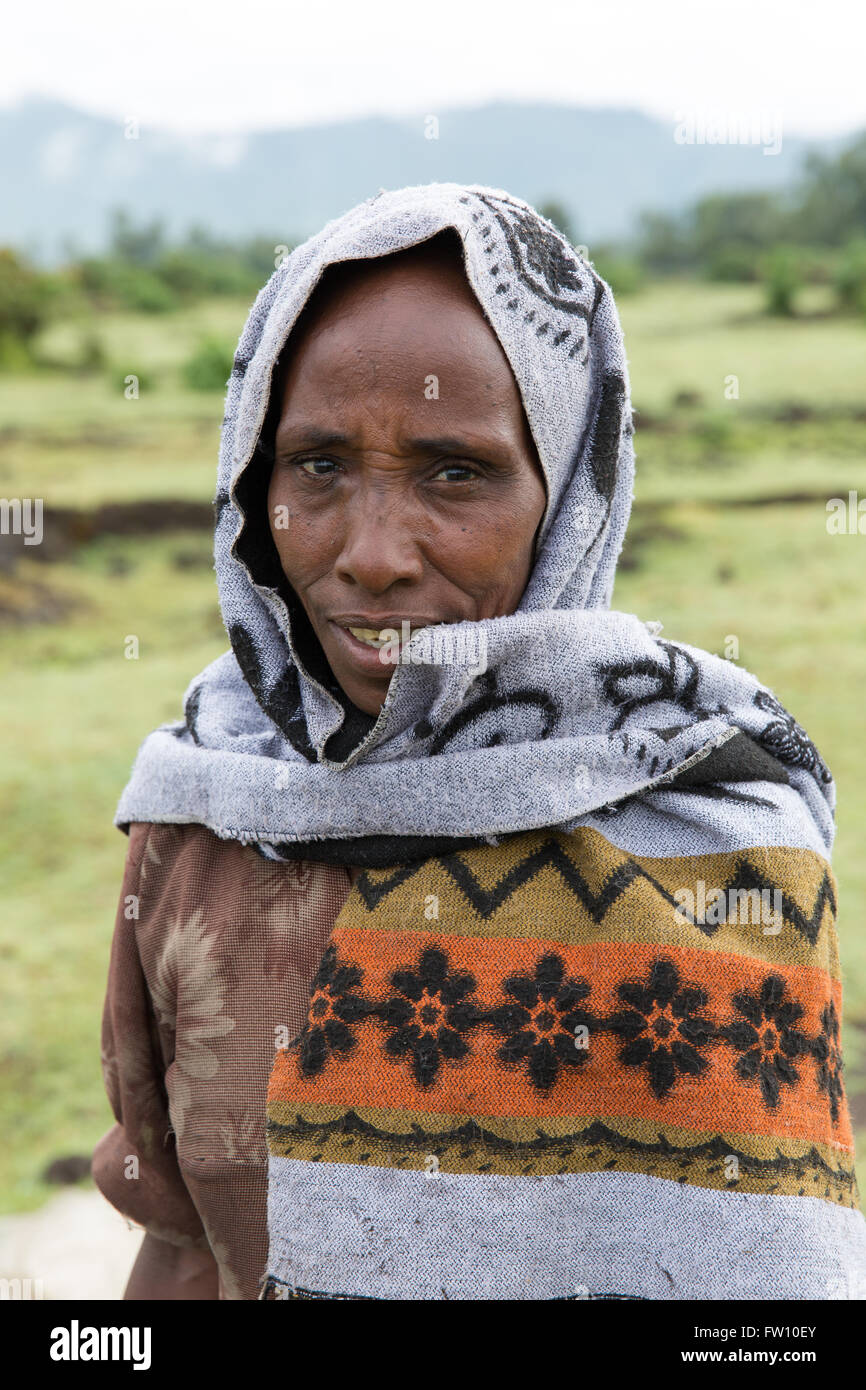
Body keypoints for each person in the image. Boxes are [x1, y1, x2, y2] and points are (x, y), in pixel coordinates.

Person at [93, 182, 866, 1300]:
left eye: (454, 471)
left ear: (568, 495)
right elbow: (175, 1240)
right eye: (315, 463)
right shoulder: (204, 799)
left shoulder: (708, 837)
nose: (370, 553)